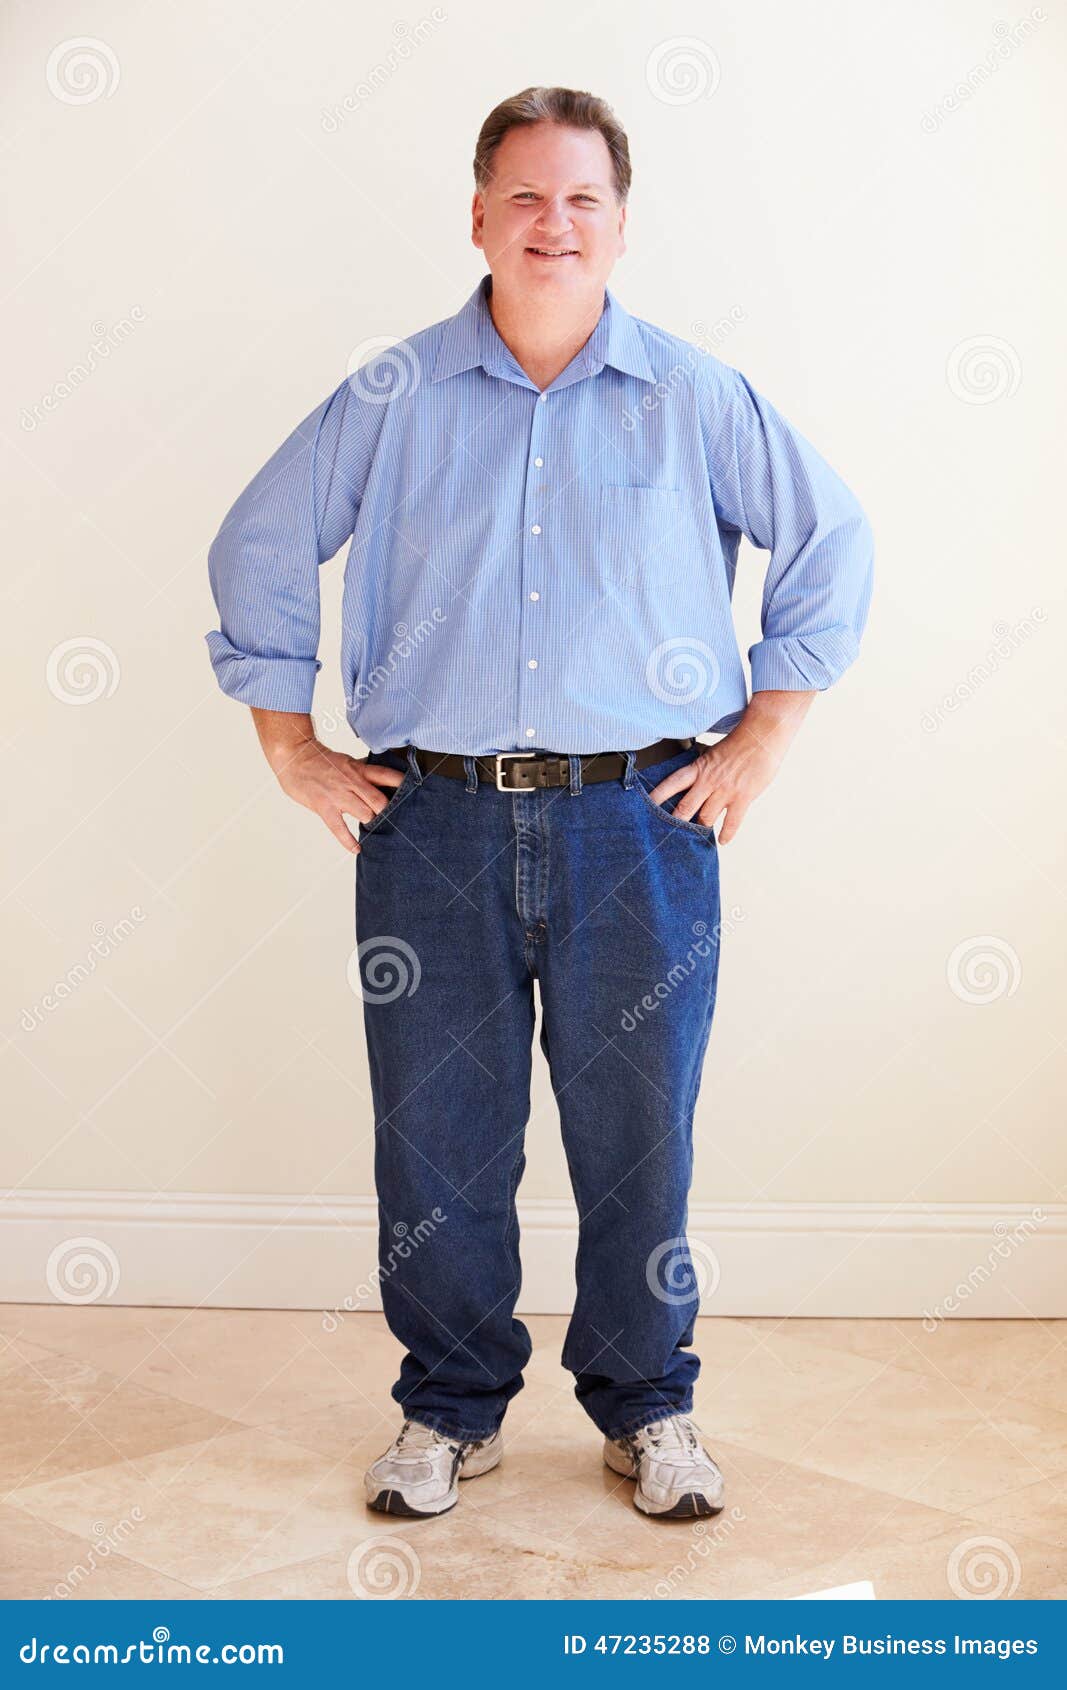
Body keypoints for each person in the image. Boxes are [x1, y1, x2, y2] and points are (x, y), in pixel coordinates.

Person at [205, 85, 874, 1522]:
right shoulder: (390, 395)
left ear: (620, 224)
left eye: (581, 199)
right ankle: (450, 1408)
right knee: (438, 1138)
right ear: (479, 218)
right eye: (525, 196)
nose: (552, 223)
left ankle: (650, 1406)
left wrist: (768, 728)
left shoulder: (696, 394)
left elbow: (833, 542)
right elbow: (259, 539)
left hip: (642, 826)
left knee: (642, 1128)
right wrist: (289, 744)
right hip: (428, 824)